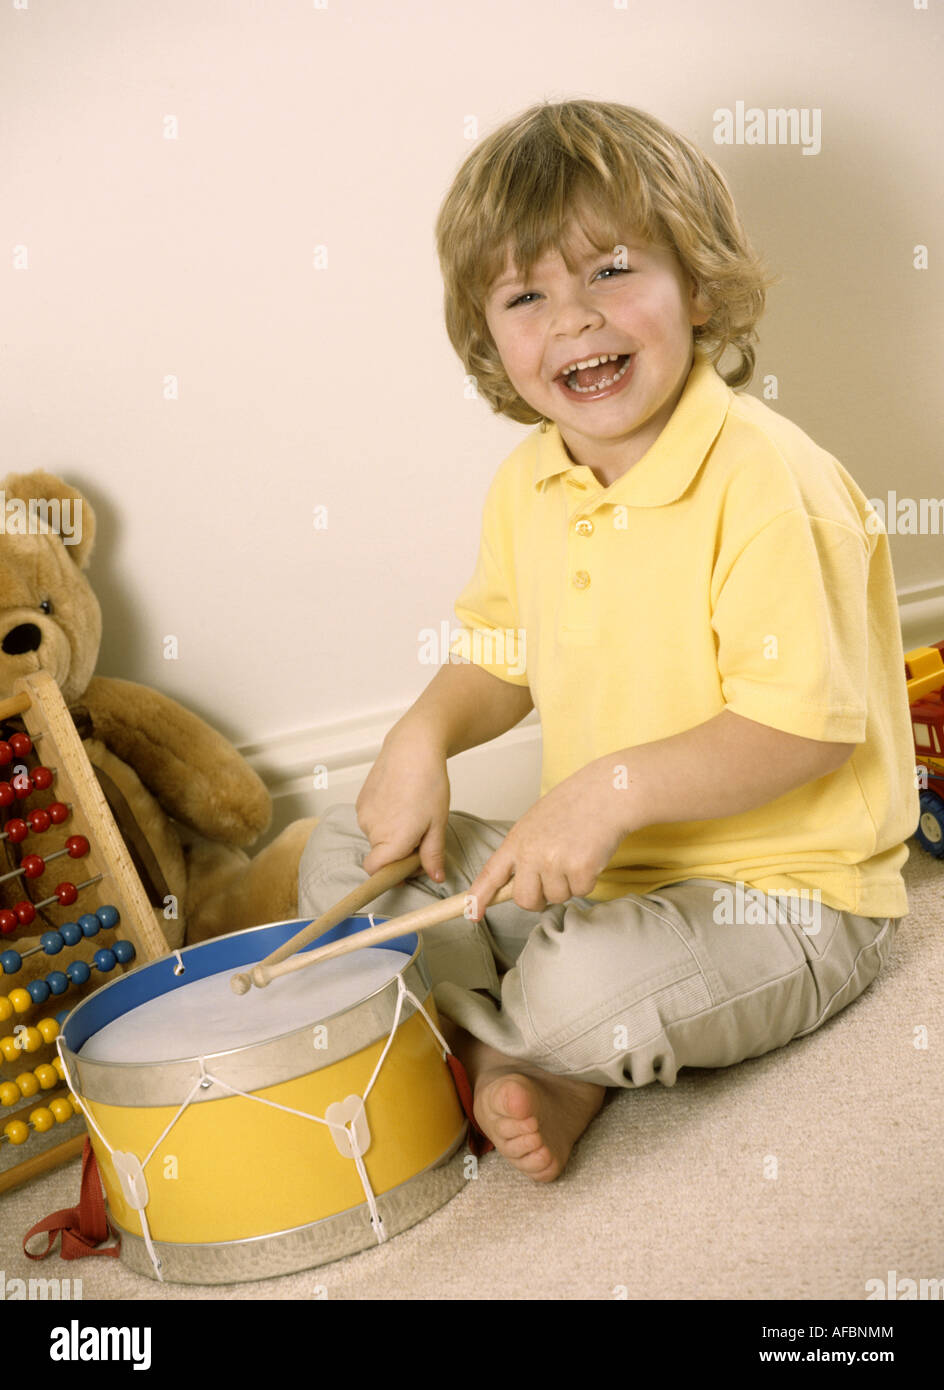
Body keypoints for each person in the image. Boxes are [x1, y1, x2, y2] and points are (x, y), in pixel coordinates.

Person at [299, 100, 918, 1182]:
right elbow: (500, 652)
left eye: (611, 270)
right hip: (600, 884)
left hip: (789, 900)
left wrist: (608, 791)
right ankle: (539, 1053)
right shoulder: (530, 480)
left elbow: (804, 731)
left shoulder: (766, 480)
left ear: (696, 282)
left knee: (575, 982)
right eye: (526, 293)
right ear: (488, 335)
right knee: (343, 855)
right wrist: (419, 738)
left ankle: (520, 1041)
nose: (573, 319)